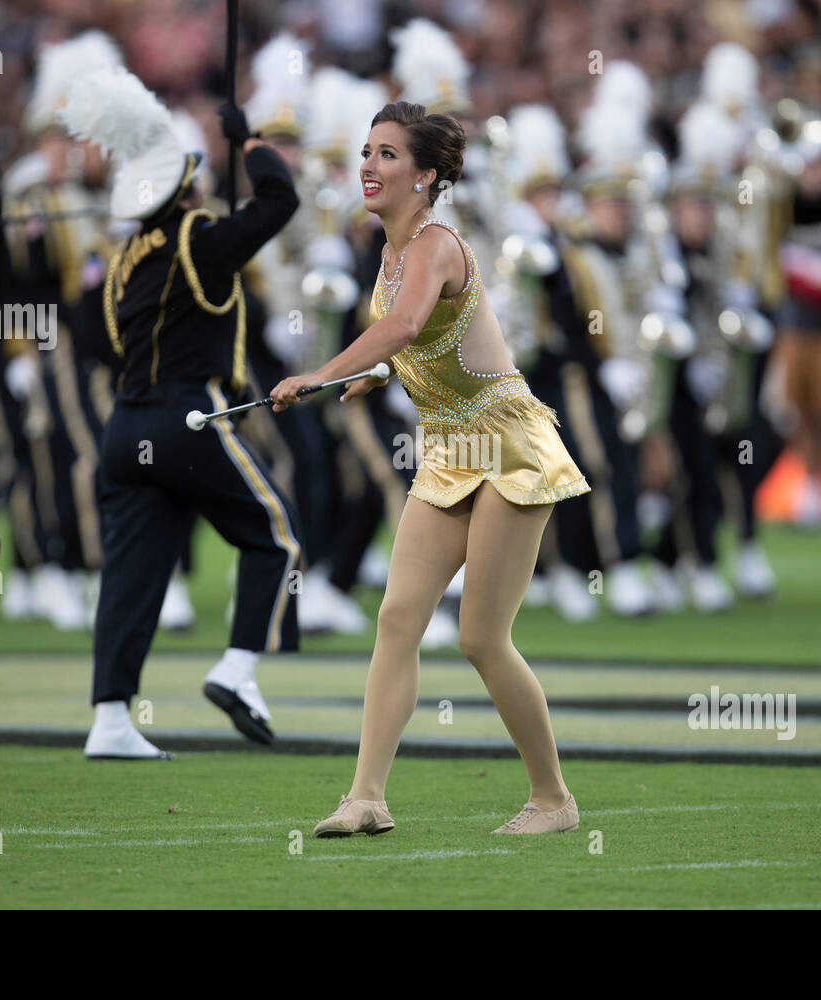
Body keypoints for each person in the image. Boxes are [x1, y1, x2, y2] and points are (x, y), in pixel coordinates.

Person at [272, 101, 587, 836]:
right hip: (447, 447)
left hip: (506, 443)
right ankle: (366, 798)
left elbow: (406, 325)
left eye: (387, 154)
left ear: (428, 175)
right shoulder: (389, 257)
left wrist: (320, 372)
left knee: (480, 637)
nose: (369, 166)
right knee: (396, 616)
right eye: (366, 151)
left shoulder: (435, 243)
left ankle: (554, 800)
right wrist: (379, 376)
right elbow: (420, 341)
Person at [57, 66, 302, 758]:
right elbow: (281, 200)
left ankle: (109, 720)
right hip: (189, 416)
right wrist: (251, 143)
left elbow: (101, 346)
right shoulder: (200, 236)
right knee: (277, 536)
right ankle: (239, 668)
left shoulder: (123, 258)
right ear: (188, 183)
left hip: (125, 427)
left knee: (131, 577)